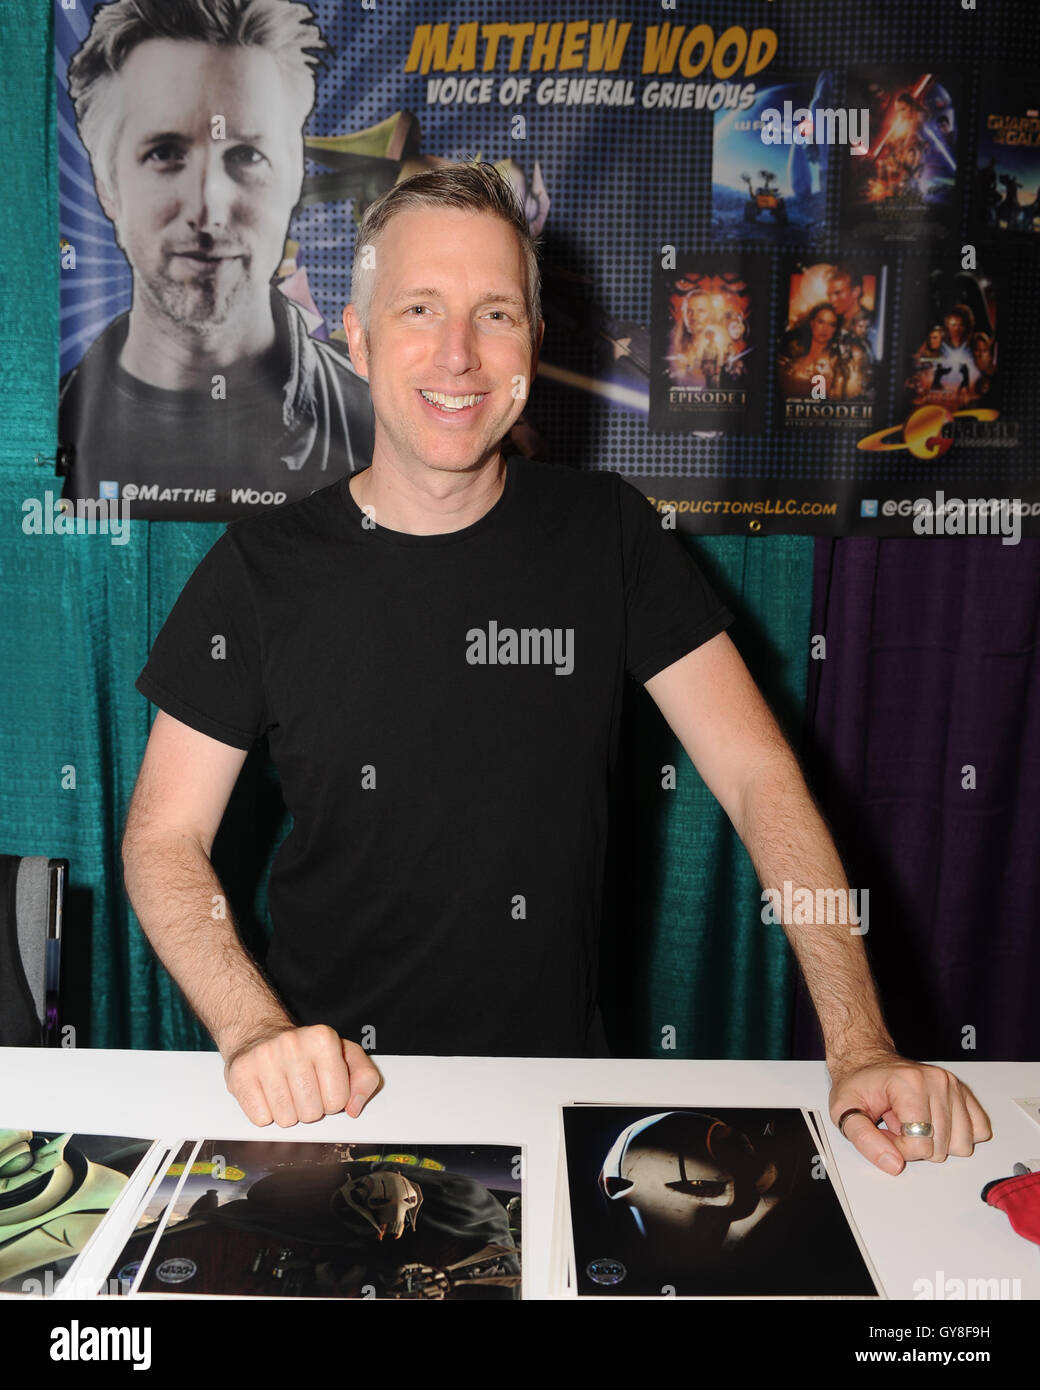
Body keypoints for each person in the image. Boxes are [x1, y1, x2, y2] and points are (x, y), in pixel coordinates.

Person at [122, 162, 991, 1178]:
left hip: (562, 1102)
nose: (458, 353)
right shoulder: (258, 569)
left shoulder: (608, 535)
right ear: (354, 339)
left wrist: (859, 1042)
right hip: (324, 1102)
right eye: (418, 309)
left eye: (495, 314)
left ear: (534, 346)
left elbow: (761, 783)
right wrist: (252, 1030)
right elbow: (164, 839)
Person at [58, 0, 373, 520]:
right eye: (165, 153)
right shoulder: (44, 434)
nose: (209, 210)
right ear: (106, 186)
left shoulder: (389, 432)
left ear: (294, 178)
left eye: (247, 155)